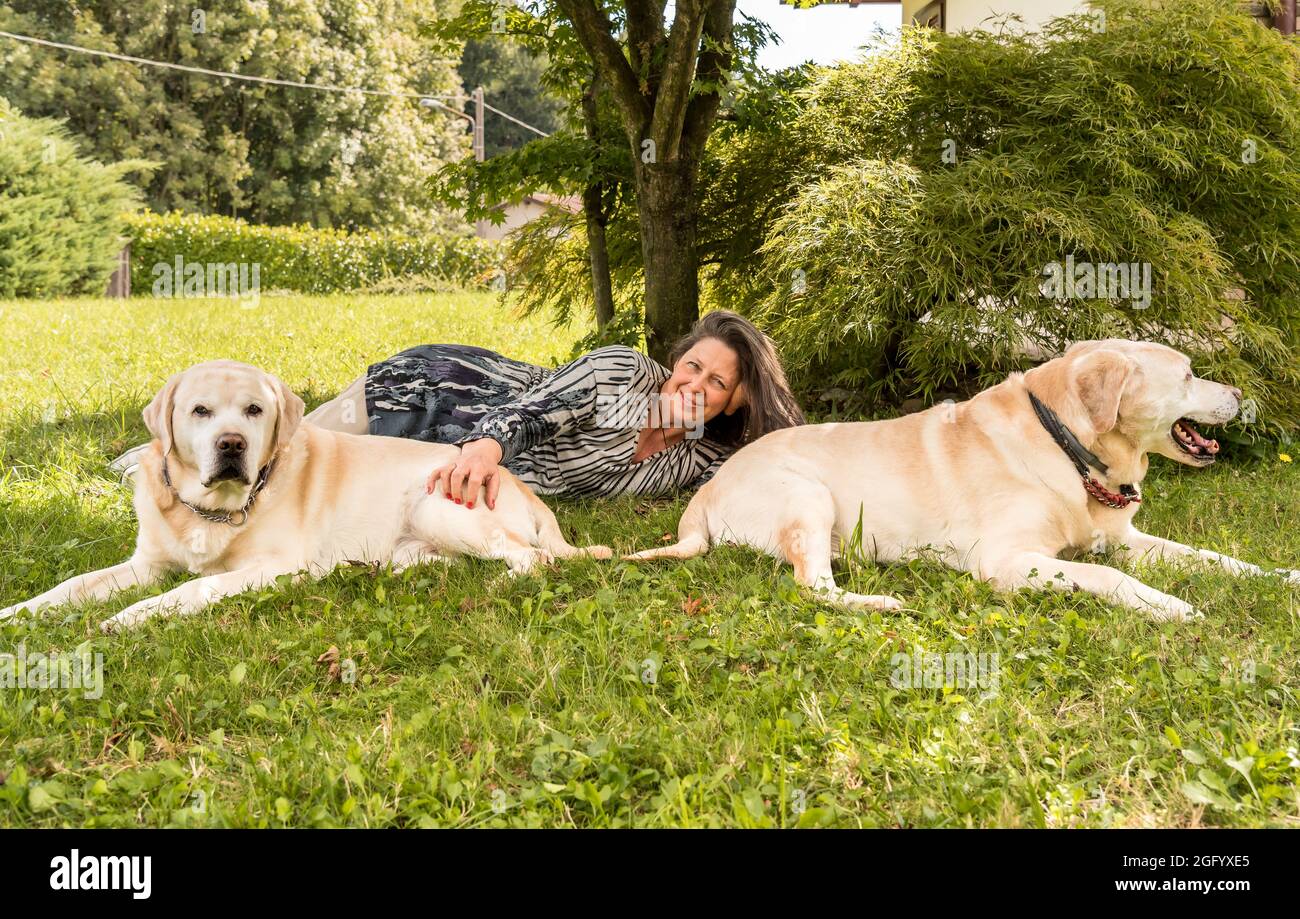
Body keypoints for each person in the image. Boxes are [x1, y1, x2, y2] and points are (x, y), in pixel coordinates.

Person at [112, 311, 805, 508]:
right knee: (286, 445)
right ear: (673, 359)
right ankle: (152, 462)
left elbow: (772, 463)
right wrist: (485, 447)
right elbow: (536, 413)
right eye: (692, 364)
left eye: (716, 383)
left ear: (734, 403)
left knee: (305, 473)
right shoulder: (622, 369)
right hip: (433, 393)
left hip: (448, 458)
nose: (693, 383)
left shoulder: (698, 454)